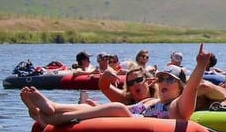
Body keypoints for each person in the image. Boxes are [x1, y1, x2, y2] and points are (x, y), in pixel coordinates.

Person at [20, 44, 211, 125]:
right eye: (160, 78)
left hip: (135, 123)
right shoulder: (150, 102)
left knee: (119, 108)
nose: (163, 82)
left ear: (180, 87)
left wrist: (201, 65)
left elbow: (192, 88)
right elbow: (108, 91)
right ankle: (52, 108)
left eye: (169, 79)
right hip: (125, 118)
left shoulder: (178, 107)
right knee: (91, 105)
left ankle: (53, 119)